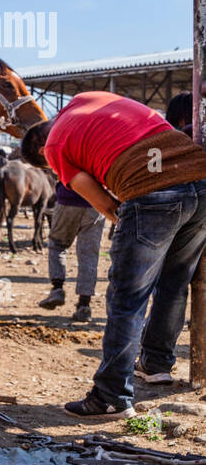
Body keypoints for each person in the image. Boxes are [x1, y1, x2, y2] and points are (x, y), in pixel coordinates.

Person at [22, 91, 206, 415]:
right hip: (199, 177)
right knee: (174, 282)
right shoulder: (87, 98)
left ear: (40, 152)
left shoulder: (54, 148)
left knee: (128, 295)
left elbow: (104, 203)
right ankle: (156, 363)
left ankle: (111, 396)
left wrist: (132, 221)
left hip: (151, 186)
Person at [38, 180, 103, 323]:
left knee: (57, 244)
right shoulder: (102, 155)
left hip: (68, 198)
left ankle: (57, 289)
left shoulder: (67, 155)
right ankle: (84, 305)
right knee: (89, 255)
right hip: (97, 202)